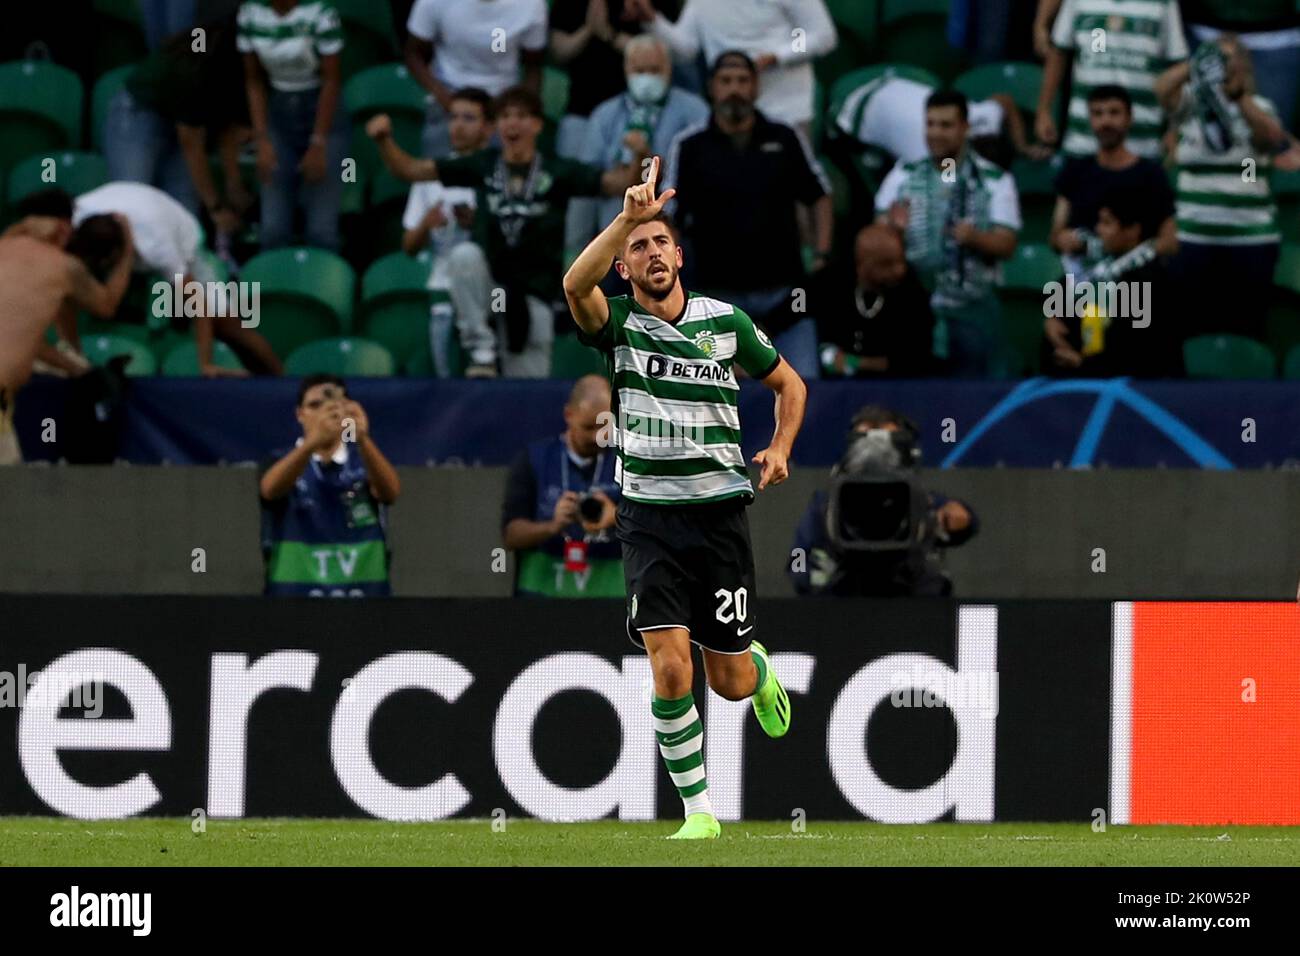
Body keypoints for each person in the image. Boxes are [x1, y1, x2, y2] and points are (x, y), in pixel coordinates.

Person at [564, 156, 808, 839]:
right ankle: (699, 811)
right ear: (626, 265)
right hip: (647, 519)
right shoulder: (616, 327)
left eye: (658, 241)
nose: (650, 253)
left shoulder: (725, 324)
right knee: (670, 669)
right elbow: (571, 283)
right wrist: (625, 217)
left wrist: (781, 447)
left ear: (679, 255)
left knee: (726, 682)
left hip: (720, 516)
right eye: (638, 247)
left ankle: (755, 667)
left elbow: (791, 387)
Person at [366, 86, 645, 378]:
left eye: (522, 116)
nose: (513, 123)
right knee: (464, 255)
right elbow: (411, 170)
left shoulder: (558, 170)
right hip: (488, 288)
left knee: (527, 392)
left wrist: (639, 154)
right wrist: (384, 141)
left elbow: (619, 183)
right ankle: (481, 349)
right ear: (498, 125)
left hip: (536, 294)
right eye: (506, 116)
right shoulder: (482, 164)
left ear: (537, 124)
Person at [662, 51, 832, 381]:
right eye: (726, 81)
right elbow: (670, 215)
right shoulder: (689, 145)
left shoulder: (785, 137)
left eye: (742, 81)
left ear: (756, 88)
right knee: (715, 394)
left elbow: (819, 194)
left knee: (802, 387)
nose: (734, 89)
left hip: (786, 295)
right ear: (711, 88)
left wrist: (822, 253)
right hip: (715, 295)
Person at [875, 90, 1021, 377]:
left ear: (965, 128)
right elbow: (876, 237)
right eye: (930, 124)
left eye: (946, 125)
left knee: (973, 401)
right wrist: (893, 231)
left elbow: (1008, 244)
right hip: (912, 313)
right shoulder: (903, 175)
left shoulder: (995, 179)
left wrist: (975, 237)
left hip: (971, 309)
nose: (936, 133)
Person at [71, 182, 282, 376]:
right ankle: (71, 350)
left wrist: (206, 364)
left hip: (181, 236)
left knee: (228, 326)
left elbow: (199, 307)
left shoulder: (159, 247)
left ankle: (283, 381)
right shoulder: (75, 219)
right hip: (135, 214)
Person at [1158, 36, 1291, 340]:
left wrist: (1239, 98)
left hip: (1251, 241)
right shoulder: (1191, 104)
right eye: (1219, 59)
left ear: (1244, 65)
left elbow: (1271, 137)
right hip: (1194, 237)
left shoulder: (1260, 106)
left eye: (1230, 59)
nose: (1225, 66)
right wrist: (1195, 67)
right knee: (1190, 330)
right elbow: (1161, 89)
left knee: (1247, 330)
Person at [789, 405, 978, 597]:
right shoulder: (826, 506)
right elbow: (799, 565)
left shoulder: (921, 501)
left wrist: (957, 519)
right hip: (843, 604)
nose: (875, 451)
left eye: (888, 440)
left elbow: (965, 522)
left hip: (913, 603)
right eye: (864, 439)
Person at [0, 208, 135, 465]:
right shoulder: (64, 268)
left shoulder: (8, 249)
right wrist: (129, 249)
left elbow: (25, 341)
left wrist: (24, 225)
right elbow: (107, 304)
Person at [104, 12, 252, 233]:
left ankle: (178, 269)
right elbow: (191, 144)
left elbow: (227, 132)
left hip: (179, 123)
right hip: (138, 114)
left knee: (184, 213)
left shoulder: (242, 74)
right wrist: (216, 209)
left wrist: (234, 184)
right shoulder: (198, 70)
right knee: (131, 202)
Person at [259, 374, 401, 596]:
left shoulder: (365, 459)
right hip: (292, 601)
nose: (326, 413)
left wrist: (362, 439)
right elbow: (270, 490)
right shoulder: (280, 460)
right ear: (300, 414)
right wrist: (312, 443)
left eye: (336, 404)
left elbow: (390, 493)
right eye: (315, 405)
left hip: (364, 599)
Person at [570, 34, 709, 252]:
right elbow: (588, 179)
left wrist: (644, 159)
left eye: (654, 70)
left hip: (675, 236)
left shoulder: (695, 111)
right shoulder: (605, 115)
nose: (647, 78)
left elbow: (701, 173)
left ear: (669, 69)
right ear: (626, 70)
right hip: (616, 237)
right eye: (640, 71)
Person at [626, 0, 837, 137]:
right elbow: (687, 49)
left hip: (785, 109)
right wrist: (652, 21)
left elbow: (821, 34)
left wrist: (778, 56)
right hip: (729, 109)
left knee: (792, 189)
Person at [238, 0, 349, 250]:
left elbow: (332, 79)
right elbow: (253, 80)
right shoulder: (250, 12)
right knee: (273, 231)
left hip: (323, 111)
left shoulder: (321, 12)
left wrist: (318, 142)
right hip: (278, 111)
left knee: (321, 231)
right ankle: (271, 288)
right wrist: (262, 140)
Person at [399, 87, 494, 377]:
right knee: (446, 372)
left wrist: (478, 224)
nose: (458, 126)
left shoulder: (496, 173)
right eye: (453, 117)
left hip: (489, 281)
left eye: (469, 118)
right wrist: (427, 223)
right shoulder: (431, 175)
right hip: (442, 281)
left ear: (487, 128)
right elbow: (408, 247)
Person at [501, 375, 622, 597]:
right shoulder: (535, 459)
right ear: (569, 415)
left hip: (612, 598)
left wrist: (616, 516)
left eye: (604, 427)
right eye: (588, 427)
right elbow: (511, 535)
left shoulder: (627, 462)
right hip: (542, 595)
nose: (597, 436)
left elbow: (660, 526)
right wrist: (552, 526)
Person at [1043, 183, 1181, 377]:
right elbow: (1066, 286)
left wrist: (1081, 363)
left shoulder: (1150, 279)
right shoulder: (1105, 266)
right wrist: (1054, 317)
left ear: (1132, 230)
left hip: (1138, 387)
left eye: (1107, 223)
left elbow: (1133, 350)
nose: (1098, 230)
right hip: (1094, 371)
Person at [1049, 85, 1177, 275]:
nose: (1106, 121)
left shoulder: (1151, 174)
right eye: (1097, 113)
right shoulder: (1075, 171)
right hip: (1083, 281)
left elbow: (1170, 242)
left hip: (1137, 281)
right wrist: (1064, 239)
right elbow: (1055, 235)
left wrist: (1127, 247)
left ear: (1129, 118)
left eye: (1114, 113)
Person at [1036, 0, 1188, 160]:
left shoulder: (1164, 3)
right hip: (1083, 141)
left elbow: (1178, 66)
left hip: (1143, 142)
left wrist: (1176, 127)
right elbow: (1059, 53)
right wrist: (1044, 110)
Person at [405, 0, 548, 159]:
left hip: (501, 99)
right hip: (449, 94)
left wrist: (520, 112)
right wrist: (445, 99)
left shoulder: (531, 4)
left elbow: (534, 66)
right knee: (438, 172)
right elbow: (413, 54)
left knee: (500, 173)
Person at [815, 224, 936, 378]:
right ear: (863, 265)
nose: (899, 270)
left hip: (898, 386)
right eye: (887, 264)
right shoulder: (832, 282)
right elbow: (788, 311)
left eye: (901, 261)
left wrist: (856, 363)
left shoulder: (912, 293)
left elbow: (917, 358)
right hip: (837, 387)